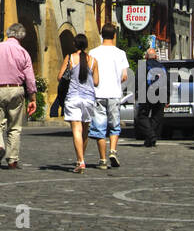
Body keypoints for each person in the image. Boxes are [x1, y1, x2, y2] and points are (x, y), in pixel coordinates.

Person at [0, 24, 38, 170]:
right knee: (15, 127)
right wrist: (33, 98)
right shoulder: (23, 52)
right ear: (21, 37)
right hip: (16, 90)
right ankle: (12, 160)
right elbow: (30, 78)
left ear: (7, 33)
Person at [89, 24, 130, 170]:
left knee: (99, 127)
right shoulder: (120, 53)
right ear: (114, 36)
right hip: (114, 93)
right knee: (114, 126)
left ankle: (102, 159)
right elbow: (124, 76)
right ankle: (113, 151)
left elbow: (89, 74)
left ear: (101, 34)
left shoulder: (93, 53)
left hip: (98, 93)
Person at [57, 34, 99, 172]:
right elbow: (97, 82)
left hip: (73, 98)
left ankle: (80, 161)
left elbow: (60, 77)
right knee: (84, 132)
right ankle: (81, 159)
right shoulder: (93, 61)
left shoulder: (70, 58)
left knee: (76, 130)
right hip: (88, 99)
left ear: (75, 44)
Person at [137, 46, 167, 147]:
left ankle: (151, 136)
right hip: (161, 95)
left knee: (141, 117)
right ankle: (150, 138)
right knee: (156, 117)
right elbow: (168, 82)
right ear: (156, 56)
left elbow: (138, 81)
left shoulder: (143, 65)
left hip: (146, 94)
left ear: (146, 56)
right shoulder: (162, 66)